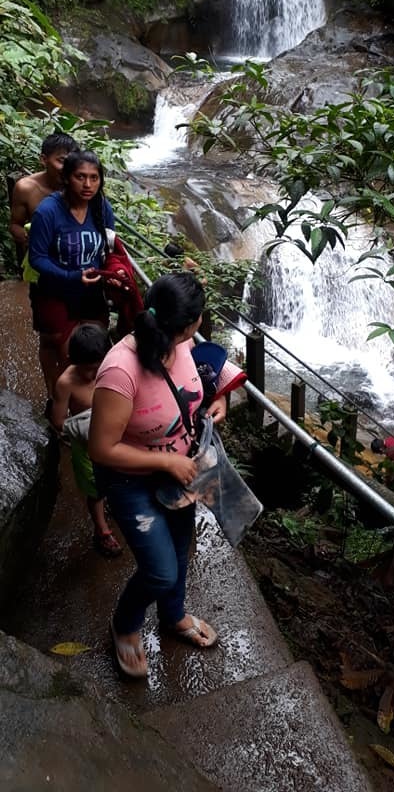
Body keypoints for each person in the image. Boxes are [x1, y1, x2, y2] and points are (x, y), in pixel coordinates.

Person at [88, 272, 246, 678]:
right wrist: (165, 462)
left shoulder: (182, 342)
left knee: (179, 553)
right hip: (133, 479)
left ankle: (173, 616)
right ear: (189, 322)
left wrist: (221, 399)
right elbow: (102, 448)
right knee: (159, 569)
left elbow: (210, 375)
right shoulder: (120, 372)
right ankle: (125, 625)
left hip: (180, 471)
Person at [28, 148, 115, 379]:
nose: (88, 184)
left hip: (91, 290)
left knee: (94, 346)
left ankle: (87, 400)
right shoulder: (47, 212)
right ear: (67, 178)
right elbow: (37, 258)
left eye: (94, 178)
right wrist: (72, 276)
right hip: (55, 289)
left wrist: (114, 273)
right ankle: (55, 394)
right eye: (80, 176)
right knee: (54, 341)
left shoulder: (102, 207)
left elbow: (110, 245)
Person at [9, 132, 80, 401]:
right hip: (43, 271)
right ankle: (54, 393)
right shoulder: (26, 188)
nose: (67, 167)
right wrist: (29, 237)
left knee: (78, 336)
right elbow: (14, 224)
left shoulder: (78, 183)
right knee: (50, 336)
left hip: (76, 271)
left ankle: (74, 394)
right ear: (44, 160)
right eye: (61, 161)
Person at [50, 323, 122, 557]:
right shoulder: (66, 383)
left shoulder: (110, 370)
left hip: (112, 435)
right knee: (95, 488)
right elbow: (59, 420)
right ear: (72, 360)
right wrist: (83, 427)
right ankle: (101, 530)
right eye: (87, 370)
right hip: (86, 444)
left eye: (97, 367)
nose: (93, 375)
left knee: (118, 475)